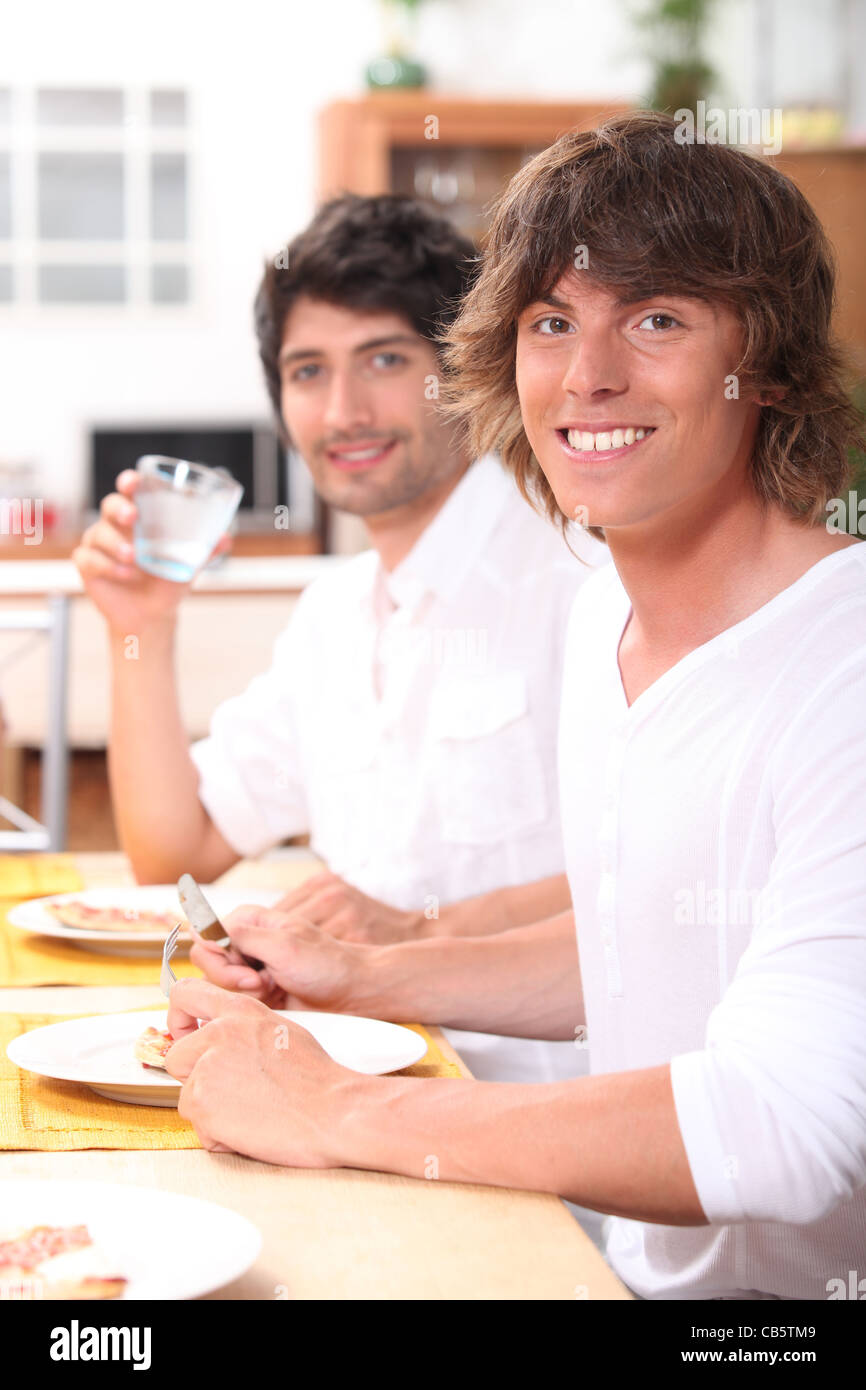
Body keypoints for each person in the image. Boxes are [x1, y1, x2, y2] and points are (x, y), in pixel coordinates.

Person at [164, 113, 866, 1301]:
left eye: (654, 319)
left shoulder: (837, 665)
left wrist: (337, 1105)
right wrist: (363, 975)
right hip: (614, 1265)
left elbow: (784, 1125)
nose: (588, 375)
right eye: (550, 323)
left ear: (777, 366)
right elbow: (644, 943)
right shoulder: (608, 623)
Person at [73, 193, 608, 1088]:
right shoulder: (334, 615)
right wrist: (142, 629)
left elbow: (661, 885)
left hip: (544, 1141)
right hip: (354, 1093)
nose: (344, 410)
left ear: (466, 369)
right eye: (308, 371)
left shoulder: (584, 582)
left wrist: (422, 929)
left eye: (385, 360)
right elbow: (173, 855)